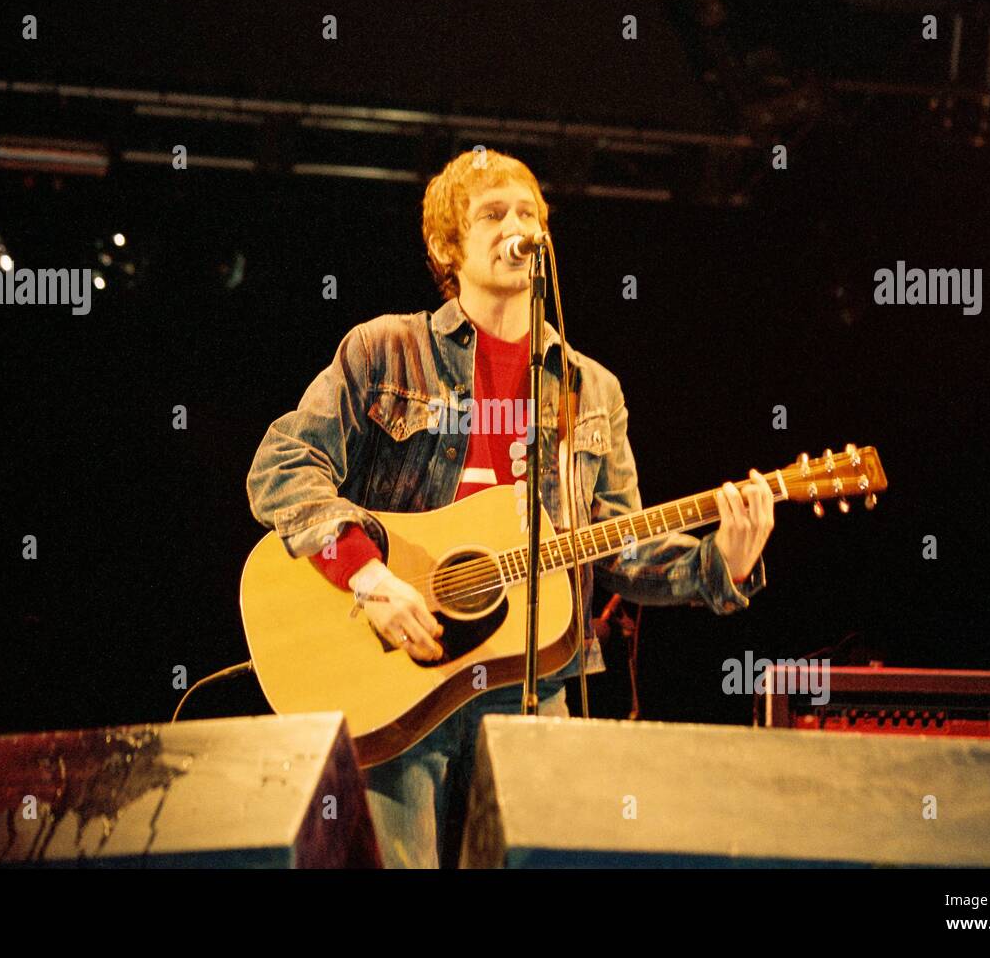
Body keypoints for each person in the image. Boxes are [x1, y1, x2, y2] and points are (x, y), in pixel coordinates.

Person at [247, 149, 775, 867]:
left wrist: (723, 563)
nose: (517, 226)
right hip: (403, 682)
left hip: (534, 690)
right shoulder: (384, 351)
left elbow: (617, 549)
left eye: (529, 213)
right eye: (493, 213)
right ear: (446, 246)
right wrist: (370, 578)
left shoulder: (593, 390)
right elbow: (282, 466)